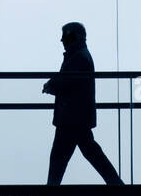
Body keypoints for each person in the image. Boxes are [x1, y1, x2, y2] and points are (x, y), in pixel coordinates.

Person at [42, 22, 124, 185]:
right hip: (76, 116)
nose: (62, 40)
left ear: (73, 37)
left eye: (65, 36)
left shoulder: (78, 57)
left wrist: (51, 86)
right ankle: (115, 183)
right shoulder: (80, 56)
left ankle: (50, 193)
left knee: (61, 156)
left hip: (71, 117)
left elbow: (68, 83)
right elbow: (69, 81)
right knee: (89, 152)